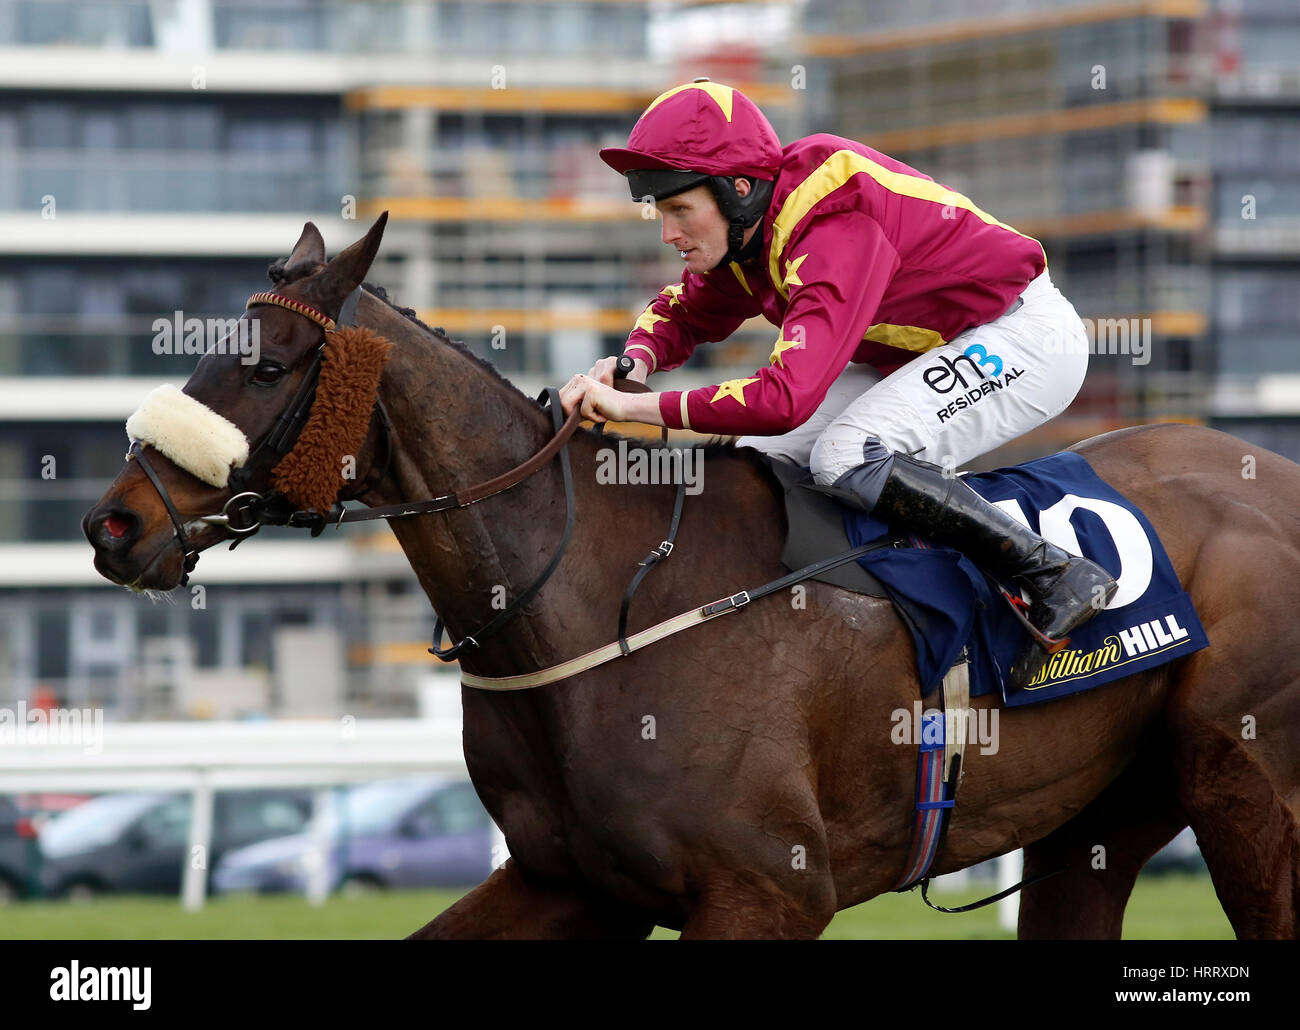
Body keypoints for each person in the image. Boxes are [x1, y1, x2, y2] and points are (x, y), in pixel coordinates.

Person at [558, 79, 1116, 687]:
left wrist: (632, 410)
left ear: (737, 189)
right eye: (661, 213)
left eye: (678, 211)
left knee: (845, 455)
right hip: (933, 348)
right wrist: (634, 362)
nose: (668, 233)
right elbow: (684, 311)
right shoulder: (750, 229)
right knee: (758, 460)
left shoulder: (833, 221)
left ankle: (1054, 573)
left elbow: (784, 399)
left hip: (1024, 336)